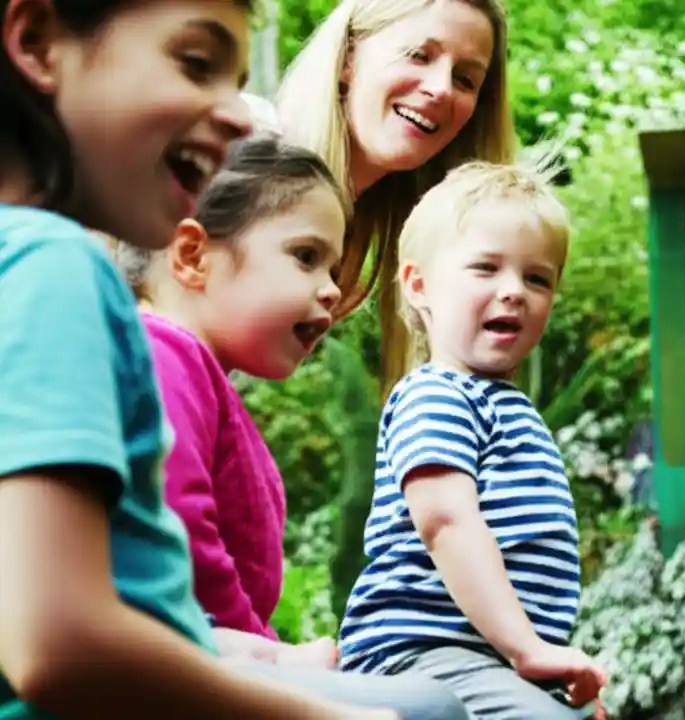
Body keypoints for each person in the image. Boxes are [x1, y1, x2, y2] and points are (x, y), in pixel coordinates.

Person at [0, 0, 394, 717]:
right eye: (194, 63)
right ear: (36, 42)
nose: (241, 115)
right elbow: (56, 646)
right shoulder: (53, 270)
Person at [117, 133, 470, 720]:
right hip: (180, 652)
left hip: (204, 647)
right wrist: (266, 659)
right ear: (192, 256)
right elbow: (176, 528)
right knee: (431, 708)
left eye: (332, 266)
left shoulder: (193, 370)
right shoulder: (162, 353)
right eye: (306, 257)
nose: (333, 289)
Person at [338, 161, 607, 719]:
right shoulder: (436, 395)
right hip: (421, 653)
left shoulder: (507, 408)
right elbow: (446, 522)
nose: (514, 292)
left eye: (538, 278)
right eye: (485, 268)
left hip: (488, 659)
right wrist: (528, 649)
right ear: (419, 286)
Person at [275, 0, 517, 391]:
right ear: (347, 58)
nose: (440, 89)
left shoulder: (361, 228)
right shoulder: (238, 167)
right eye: (419, 55)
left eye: (466, 80)